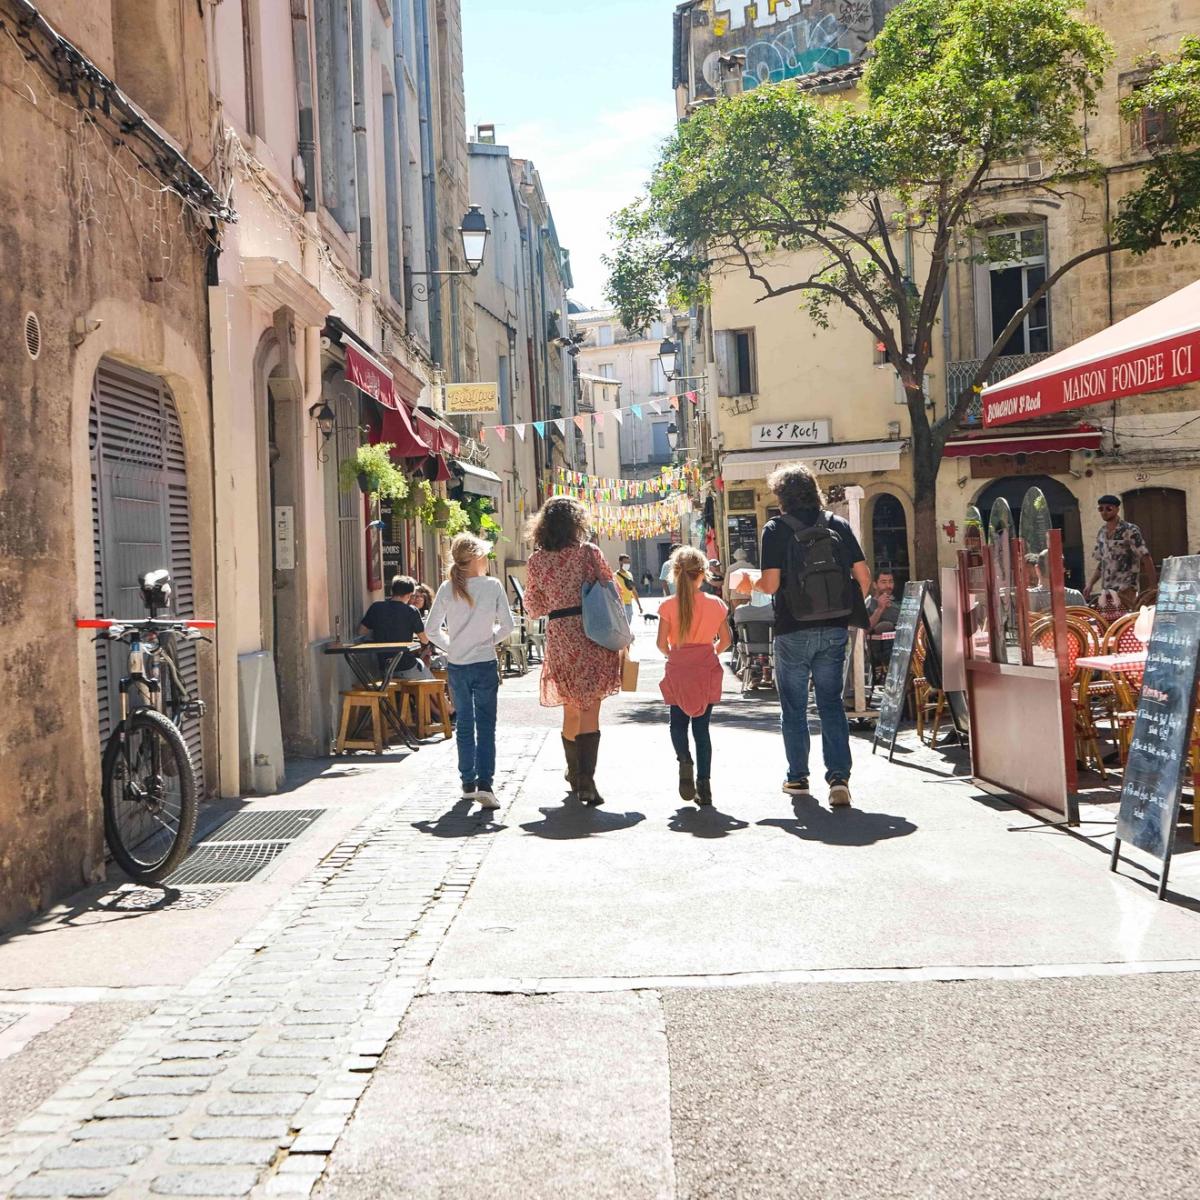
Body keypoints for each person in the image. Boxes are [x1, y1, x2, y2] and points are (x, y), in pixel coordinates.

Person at [756, 464, 870, 807]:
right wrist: (844, 609)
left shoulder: (775, 529)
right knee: (831, 704)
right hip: (834, 628)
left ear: (782, 496)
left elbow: (772, 585)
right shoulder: (837, 525)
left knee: (793, 708)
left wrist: (753, 585)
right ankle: (838, 780)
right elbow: (863, 577)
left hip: (792, 629)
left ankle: (797, 778)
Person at [524, 497, 622, 806]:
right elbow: (610, 587)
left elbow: (534, 607)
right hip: (592, 632)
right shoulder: (588, 554)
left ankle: (574, 773)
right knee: (591, 707)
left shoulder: (536, 561)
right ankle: (587, 783)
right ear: (576, 523)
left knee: (570, 706)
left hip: (560, 635)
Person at [424, 535, 515, 810]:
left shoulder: (446, 587)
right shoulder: (492, 586)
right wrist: (489, 641)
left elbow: (430, 630)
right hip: (484, 662)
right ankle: (485, 784)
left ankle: (467, 782)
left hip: (458, 665)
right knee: (486, 725)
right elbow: (508, 626)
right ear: (476, 558)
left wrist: (452, 646)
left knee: (464, 722)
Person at [657, 548, 730, 807]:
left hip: (678, 666)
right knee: (702, 729)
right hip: (705, 668)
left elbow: (661, 644)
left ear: (676, 573)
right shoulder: (717, 605)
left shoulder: (667, 606)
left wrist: (677, 653)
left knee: (677, 723)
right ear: (703, 574)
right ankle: (705, 785)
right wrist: (709, 652)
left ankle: (684, 760)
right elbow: (726, 640)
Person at [1086, 495, 1156, 612]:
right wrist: (1090, 584)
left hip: (1126, 589)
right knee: (1110, 625)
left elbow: (1145, 556)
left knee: (1127, 622)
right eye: (1101, 509)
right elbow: (1103, 562)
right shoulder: (1102, 532)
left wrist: (1153, 586)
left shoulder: (1129, 530)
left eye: (1108, 509)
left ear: (1117, 509)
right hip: (1108, 590)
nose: (1104, 512)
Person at [358, 575, 431, 681]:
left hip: (384, 668)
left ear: (392, 591)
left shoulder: (376, 607)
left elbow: (361, 631)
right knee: (431, 684)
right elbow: (424, 640)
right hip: (406, 666)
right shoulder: (411, 611)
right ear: (409, 595)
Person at [614, 553, 643, 624]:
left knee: (628, 625)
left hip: (629, 604)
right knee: (623, 626)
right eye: (625, 562)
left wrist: (639, 605)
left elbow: (633, 590)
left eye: (628, 562)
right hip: (620, 604)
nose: (627, 564)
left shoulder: (629, 575)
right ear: (620, 562)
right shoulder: (614, 576)